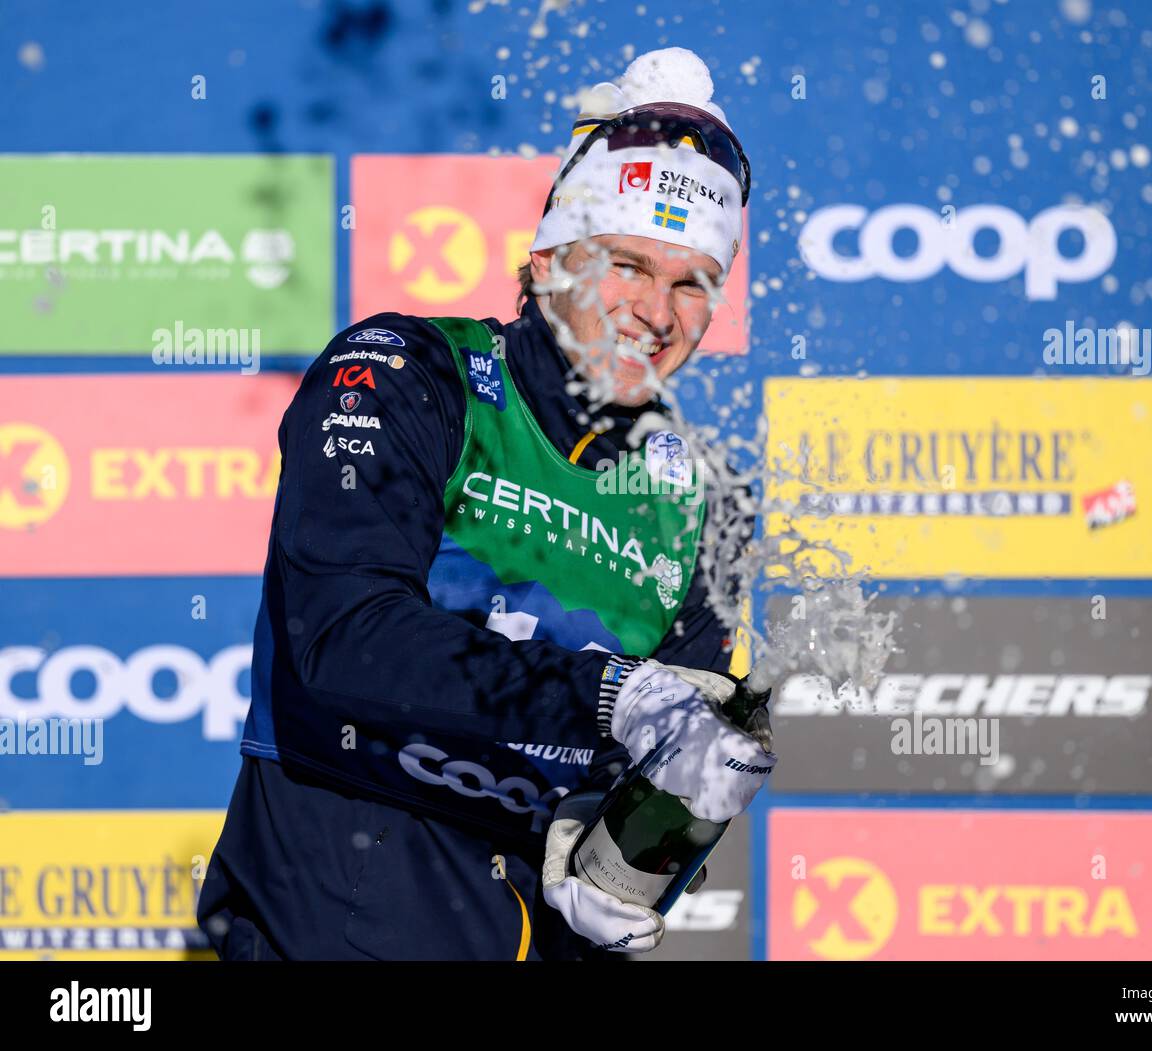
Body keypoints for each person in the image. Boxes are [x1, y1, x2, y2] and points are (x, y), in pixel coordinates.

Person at [197, 47, 774, 961]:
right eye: (627, 264)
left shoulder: (707, 505)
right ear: (548, 261)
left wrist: (641, 861)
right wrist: (608, 694)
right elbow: (344, 638)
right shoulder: (405, 375)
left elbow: (665, 765)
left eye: (693, 283)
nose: (656, 313)